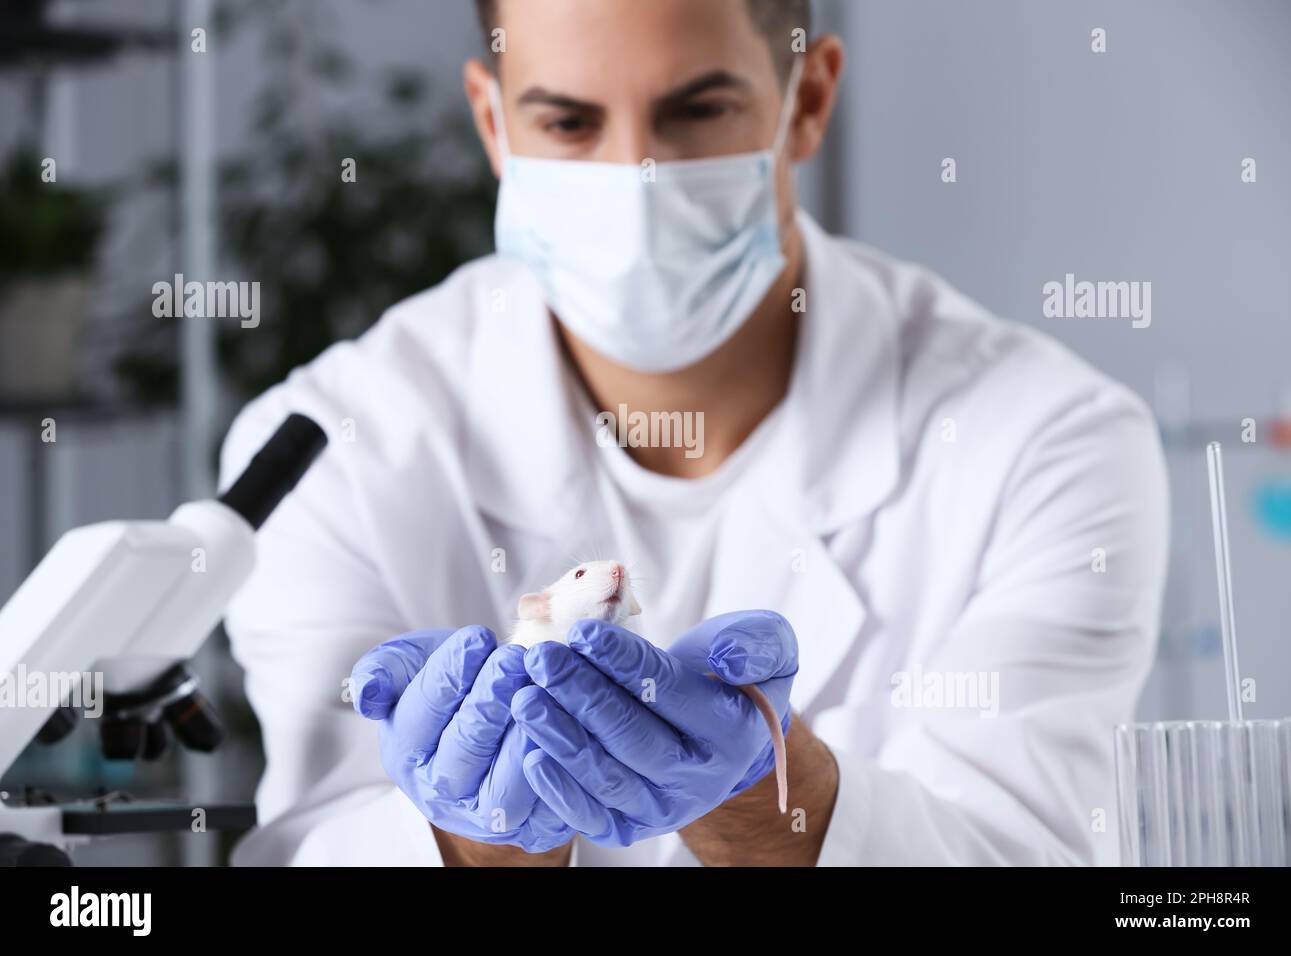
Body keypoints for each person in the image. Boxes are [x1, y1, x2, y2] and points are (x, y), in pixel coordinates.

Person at [219, 0, 1169, 866]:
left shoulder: (1045, 442)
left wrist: (775, 812)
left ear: (808, 99)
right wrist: (470, 847)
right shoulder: (334, 448)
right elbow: (310, 851)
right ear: (493, 121)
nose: (636, 181)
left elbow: (1023, 852)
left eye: (698, 112)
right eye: (567, 122)